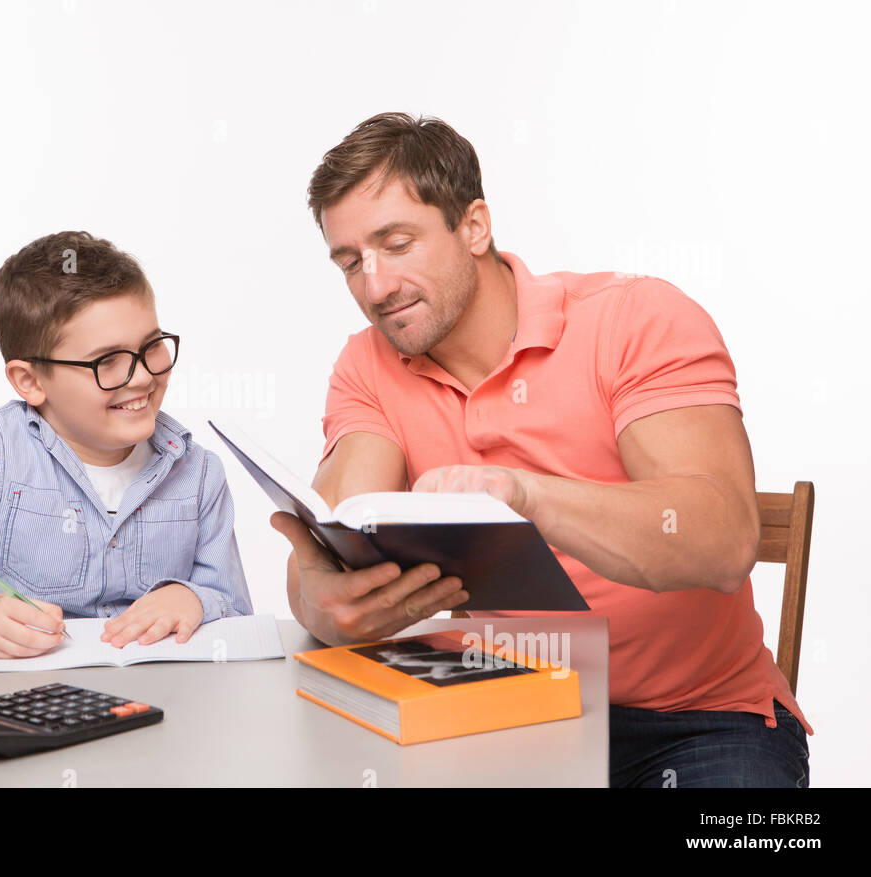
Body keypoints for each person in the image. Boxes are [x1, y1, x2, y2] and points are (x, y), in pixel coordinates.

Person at [271, 112, 812, 788]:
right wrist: (316, 600)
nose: (375, 288)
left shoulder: (635, 320)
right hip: (499, 707)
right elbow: (336, 528)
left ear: (474, 226)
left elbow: (724, 539)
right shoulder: (369, 364)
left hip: (694, 721)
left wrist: (526, 495)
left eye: (397, 243)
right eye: (351, 262)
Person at [0, 231, 252, 659]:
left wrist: (196, 600)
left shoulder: (199, 474)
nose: (142, 377)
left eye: (151, 346)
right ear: (29, 381)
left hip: (164, 701)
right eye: (107, 362)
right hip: (21, 704)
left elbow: (236, 612)